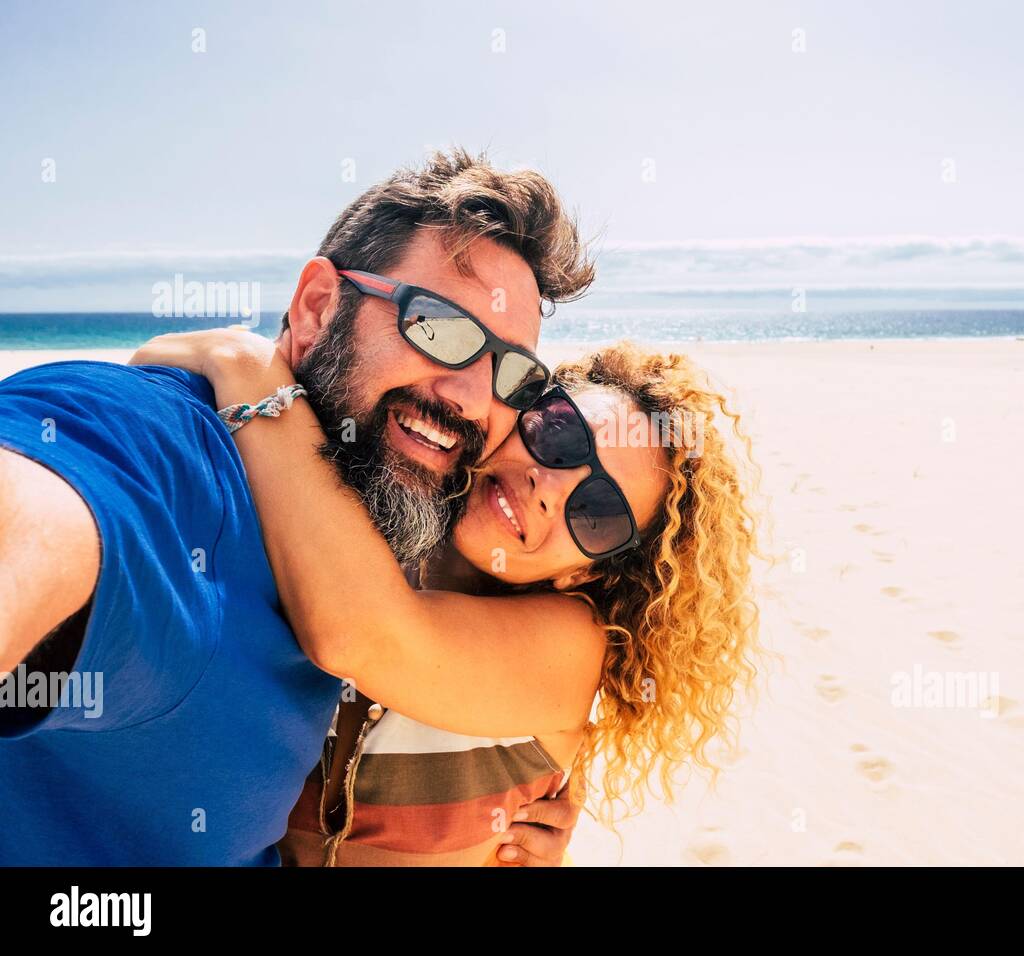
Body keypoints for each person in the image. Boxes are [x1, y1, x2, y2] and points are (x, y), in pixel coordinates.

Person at [0, 150, 591, 866]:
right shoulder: (178, 457)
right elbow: (43, 504)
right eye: (437, 327)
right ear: (317, 307)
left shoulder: (401, 523)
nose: (470, 398)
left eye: (511, 370)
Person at [130, 327, 763, 866]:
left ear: (588, 573)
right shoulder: (362, 525)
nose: (551, 487)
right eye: (562, 435)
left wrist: (246, 367)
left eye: (597, 512)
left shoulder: (572, 653)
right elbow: (148, 362)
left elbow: (361, 635)